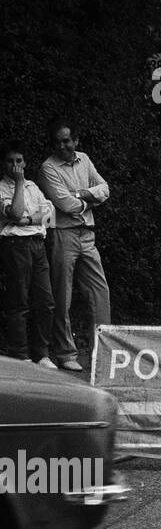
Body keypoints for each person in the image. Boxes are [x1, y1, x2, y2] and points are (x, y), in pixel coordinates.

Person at [37, 119, 112, 372]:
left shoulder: (84, 159)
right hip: (63, 235)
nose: (62, 146)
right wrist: (90, 197)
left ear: (75, 140)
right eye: (57, 142)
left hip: (87, 234)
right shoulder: (48, 168)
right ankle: (66, 353)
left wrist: (80, 195)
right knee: (62, 296)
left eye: (66, 141)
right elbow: (65, 205)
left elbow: (105, 189)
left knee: (99, 293)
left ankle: (101, 353)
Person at [0, 140, 57, 368]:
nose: (16, 166)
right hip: (15, 246)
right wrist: (19, 184)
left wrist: (27, 219)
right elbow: (14, 213)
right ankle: (21, 356)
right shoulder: (3, 187)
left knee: (45, 302)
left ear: (25, 162)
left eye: (19, 161)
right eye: (11, 161)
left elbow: (49, 216)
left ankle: (42, 354)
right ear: (3, 164)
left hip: (37, 245)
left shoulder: (34, 186)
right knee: (19, 302)